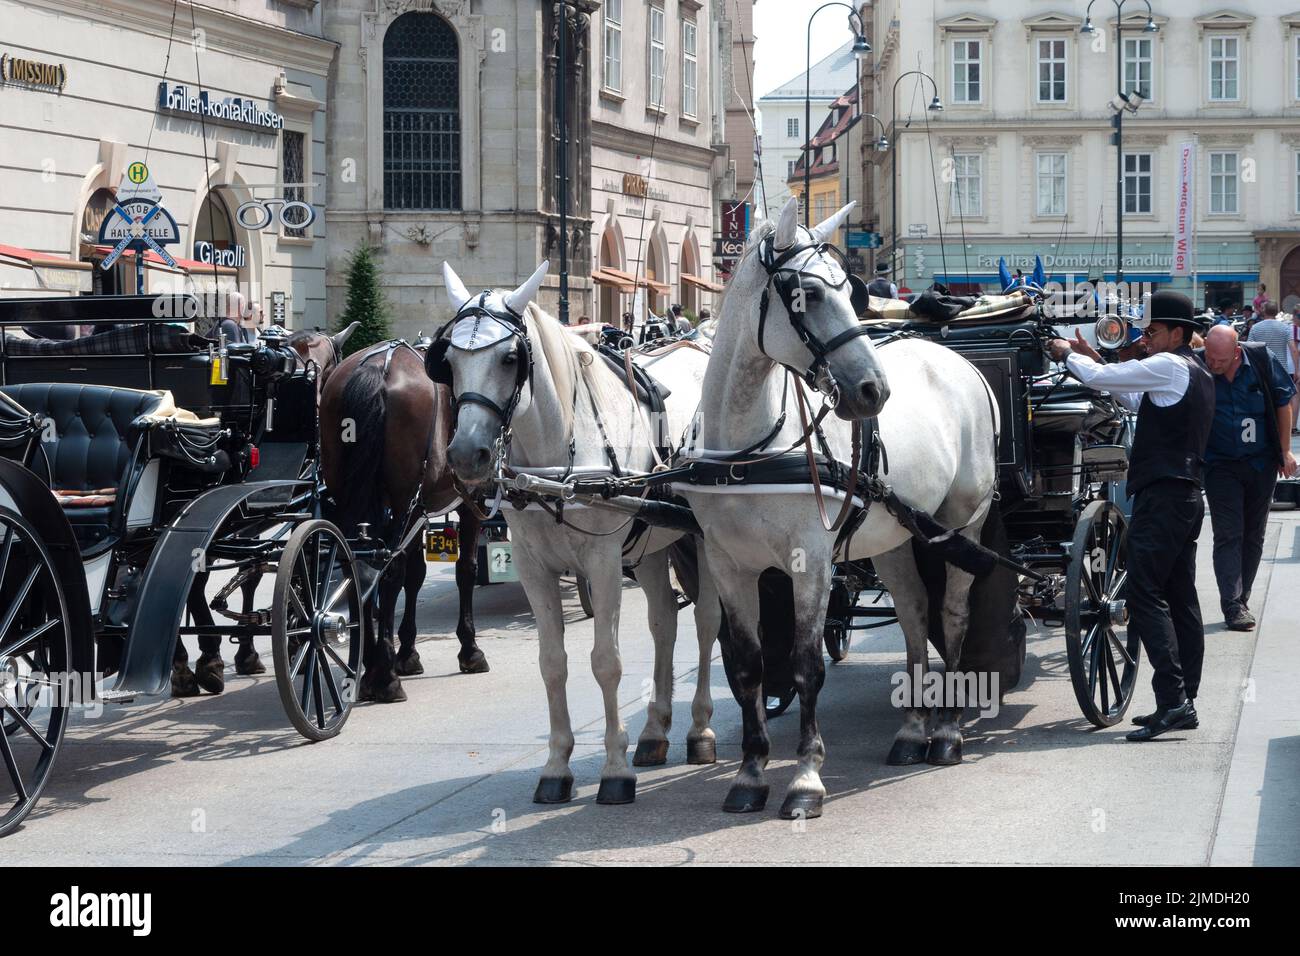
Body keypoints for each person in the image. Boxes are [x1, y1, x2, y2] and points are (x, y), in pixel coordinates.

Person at [1048, 291, 1214, 742]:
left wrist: (1068, 355)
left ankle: (1175, 699)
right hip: (1183, 496)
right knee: (1180, 597)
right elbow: (1136, 400)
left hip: (1164, 498)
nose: (1146, 338)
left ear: (1177, 332)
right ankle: (1183, 701)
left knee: (1143, 593)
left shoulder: (1172, 365)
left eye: (1153, 331)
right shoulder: (1192, 373)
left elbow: (1110, 376)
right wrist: (1091, 362)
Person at [1200, 326, 1297, 631]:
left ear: (1237, 352)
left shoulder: (1260, 360)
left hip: (1260, 463)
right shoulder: (1198, 364)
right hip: (1219, 464)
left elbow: (1284, 403)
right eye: (1210, 357)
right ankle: (1231, 603)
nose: (1213, 364)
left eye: (1220, 360)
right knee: (1228, 534)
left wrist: (1285, 451)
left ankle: (1242, 596)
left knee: (1253, 534)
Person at [1248, 301, 1295, 382]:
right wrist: (1297, 370)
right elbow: (1293, 350)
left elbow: (1248, 349)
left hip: (1262, 370)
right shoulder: (1285, 328)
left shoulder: (1255, 328)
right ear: (1276, 312)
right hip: (1282, 370)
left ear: (1264, 311)